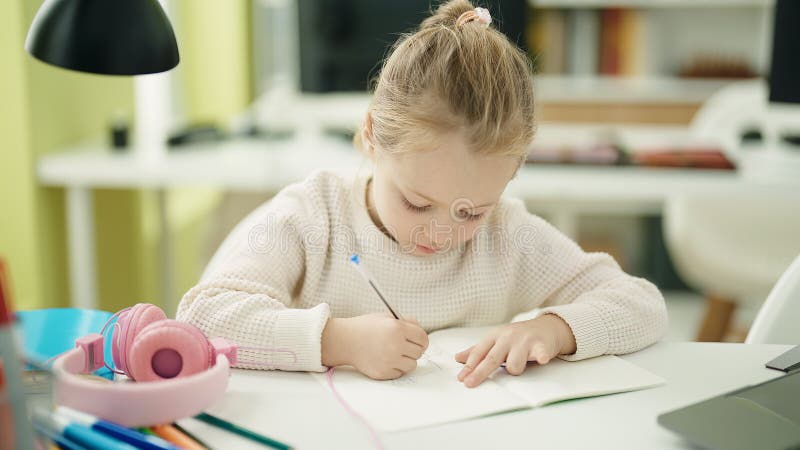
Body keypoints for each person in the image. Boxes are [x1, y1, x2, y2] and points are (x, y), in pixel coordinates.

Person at [177, 0, 667, 388]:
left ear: (512, 173)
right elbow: (202, 318)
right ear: (371, 136)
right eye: (416, 202)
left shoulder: (507, 237)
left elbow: (641, 304)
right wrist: (338, 341)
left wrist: (552, 329)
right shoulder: (310, 217)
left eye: (470, 211)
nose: (441, 231)